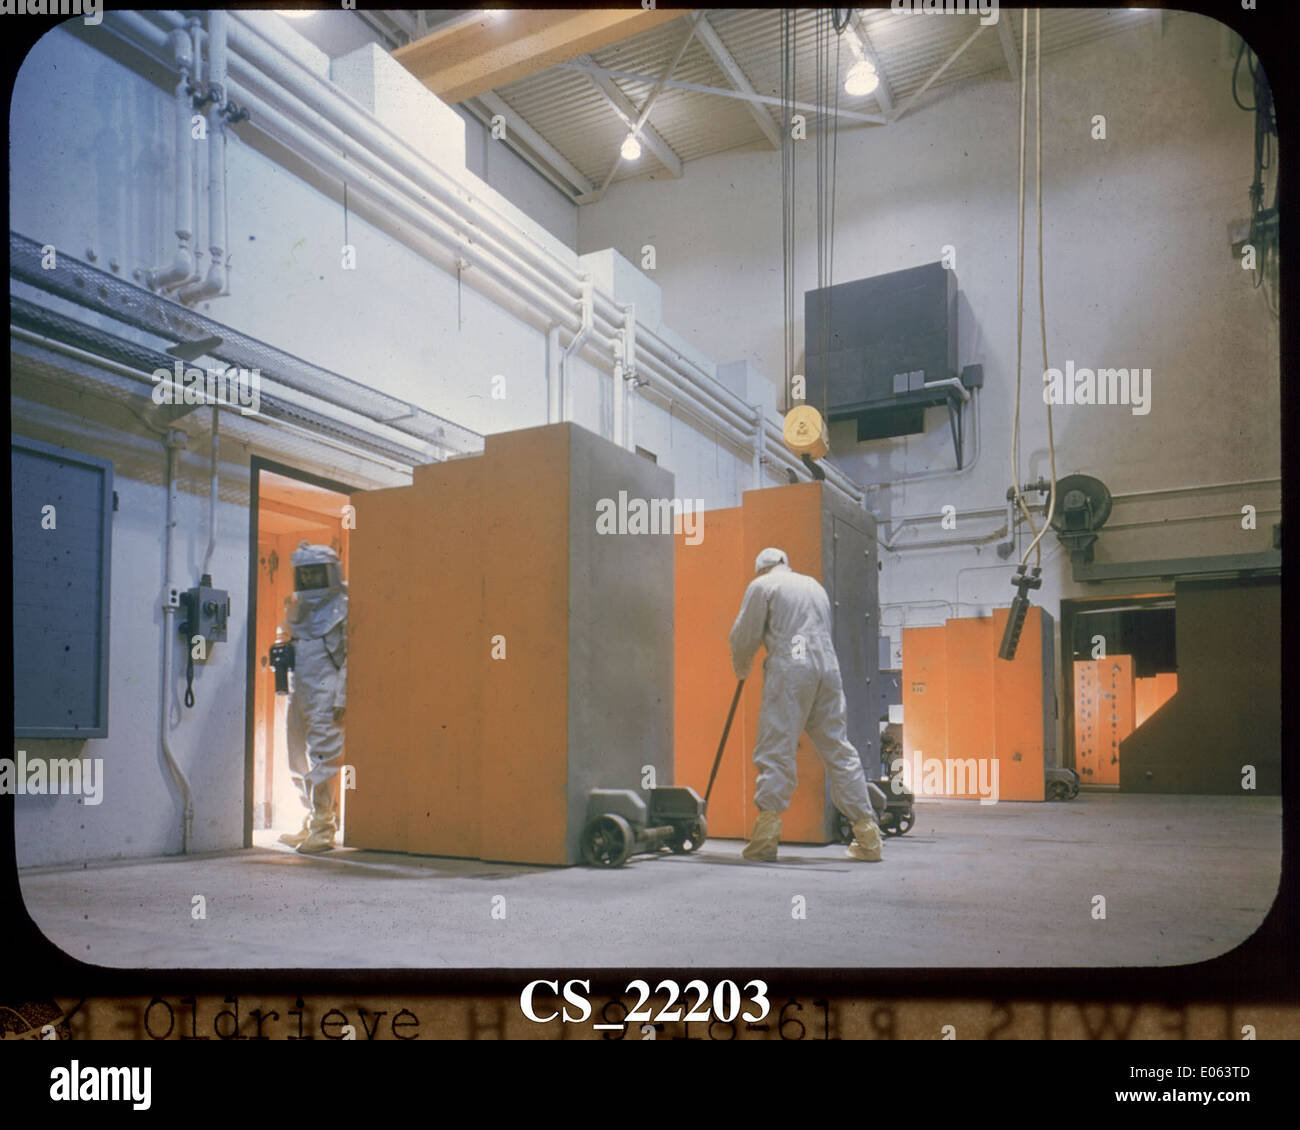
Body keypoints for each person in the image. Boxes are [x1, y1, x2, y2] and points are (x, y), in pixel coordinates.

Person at [728, 546, 883, 863]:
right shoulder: (814, 586)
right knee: (838, 749)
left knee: (776, 748)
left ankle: (765, 839)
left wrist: (741, 667)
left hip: (791, 670)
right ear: (785, 562)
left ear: (761, 569)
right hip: (827, 670)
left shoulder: (763, 585)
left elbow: (744, 636)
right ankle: (868, 837)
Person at [277, 542, 348, 855]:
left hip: (326, 691)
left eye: (313, 573)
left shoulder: (345, 606)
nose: (307, 580)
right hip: (300, 690)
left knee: (323, 756)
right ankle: (309, 817)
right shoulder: (296, 608)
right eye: (302, 574)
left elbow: (350, 658)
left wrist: (342, 696)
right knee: (295, 755)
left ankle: (324, 825)